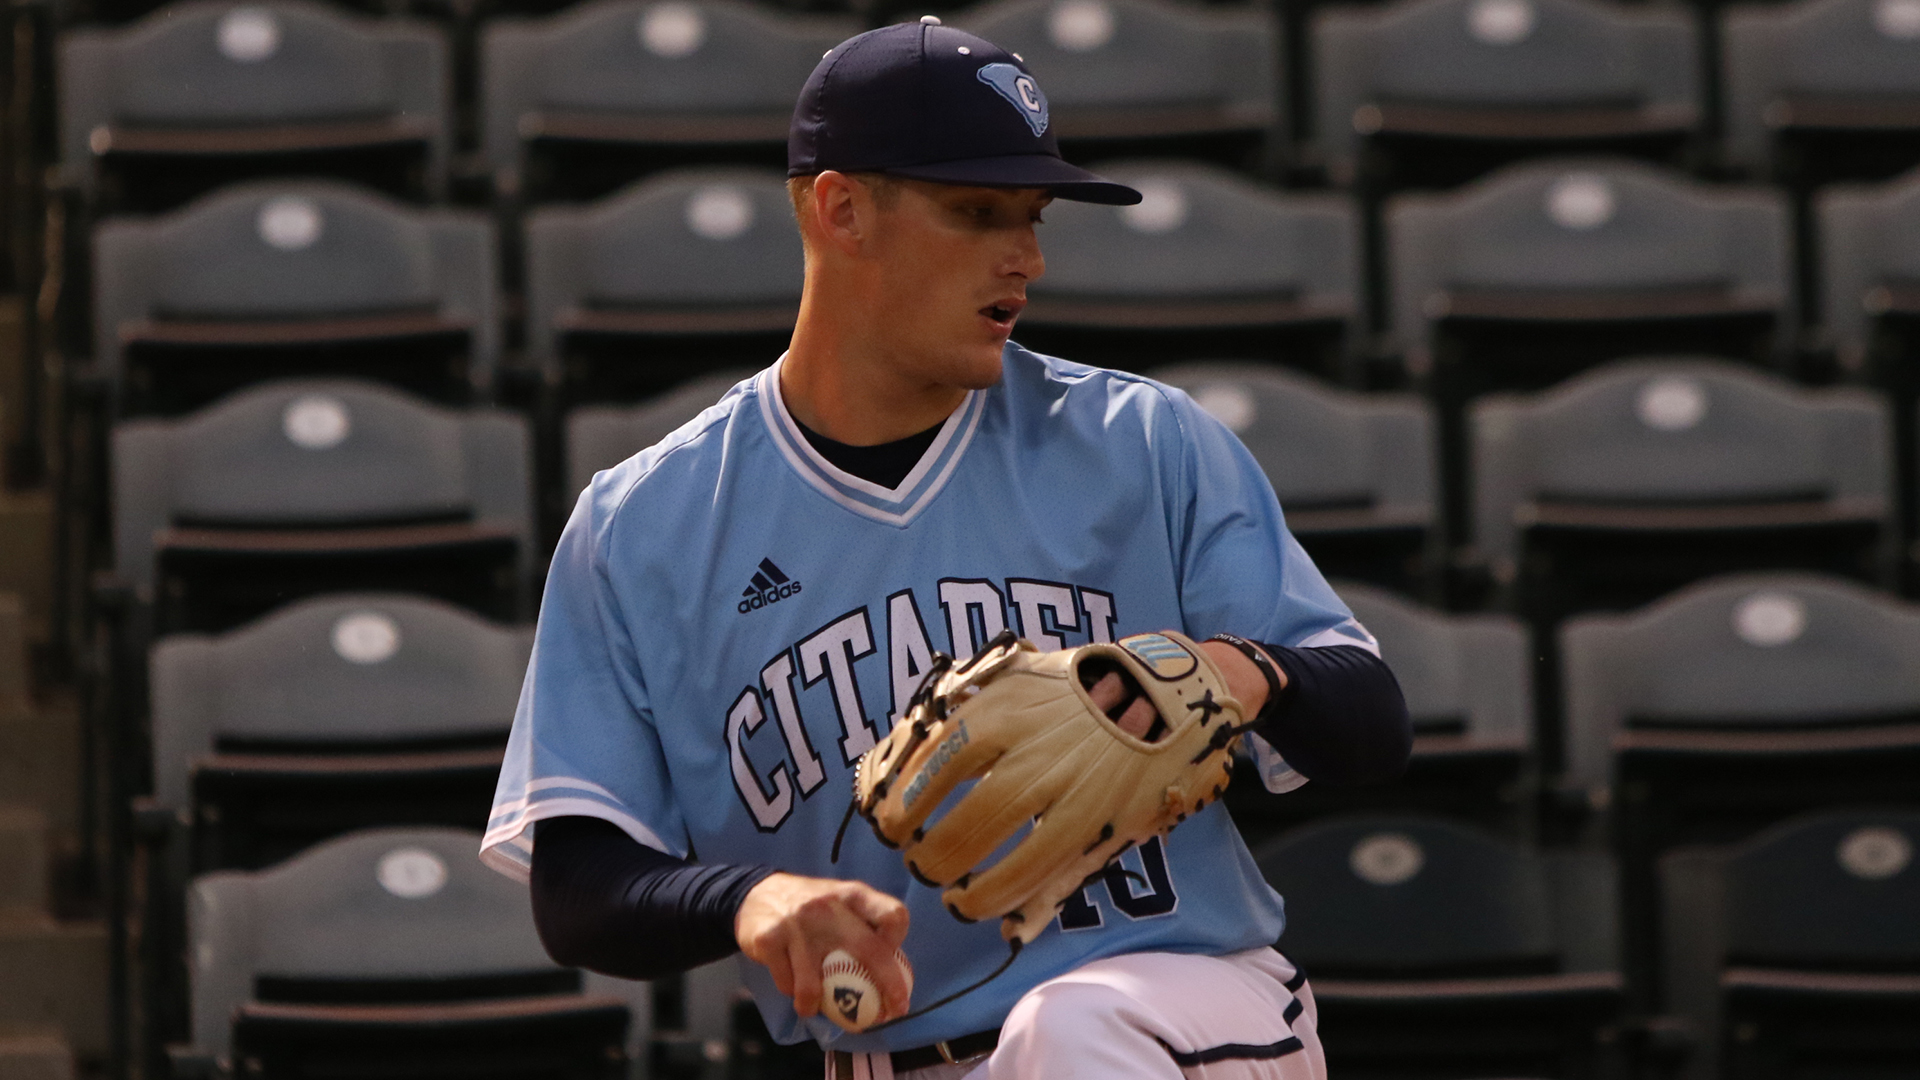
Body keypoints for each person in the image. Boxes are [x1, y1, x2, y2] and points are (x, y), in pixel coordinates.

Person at [483, 17, 1412, 1080]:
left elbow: (1372, 723)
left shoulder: (1144, 443)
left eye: (1032, 217)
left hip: (1181, 1009)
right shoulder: (643, 527)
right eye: (977, 213)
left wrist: (1241, 672)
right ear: (841, 209)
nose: (1027, 258)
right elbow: (579, 888)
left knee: (1071, 1034)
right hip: (883, 1056)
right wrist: (749, 898)